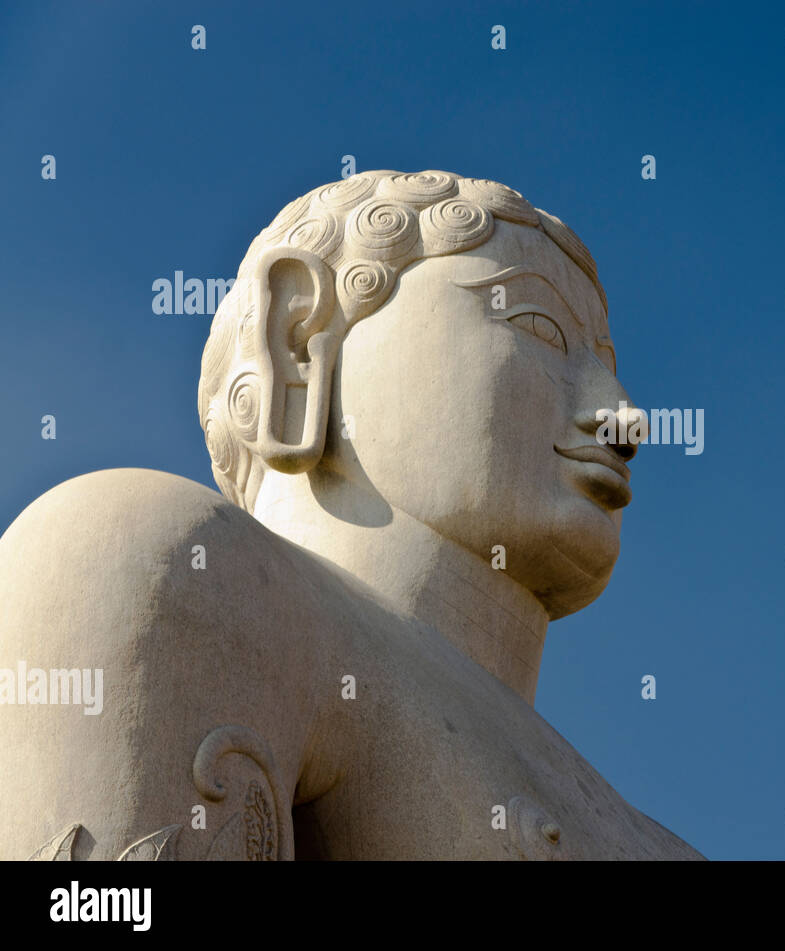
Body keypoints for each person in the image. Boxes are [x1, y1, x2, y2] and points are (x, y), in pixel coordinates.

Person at [0, 171, 703, 860]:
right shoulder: (165, 558)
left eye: (608, 366)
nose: (625, 419)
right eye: (539, 325)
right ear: (299, 339)